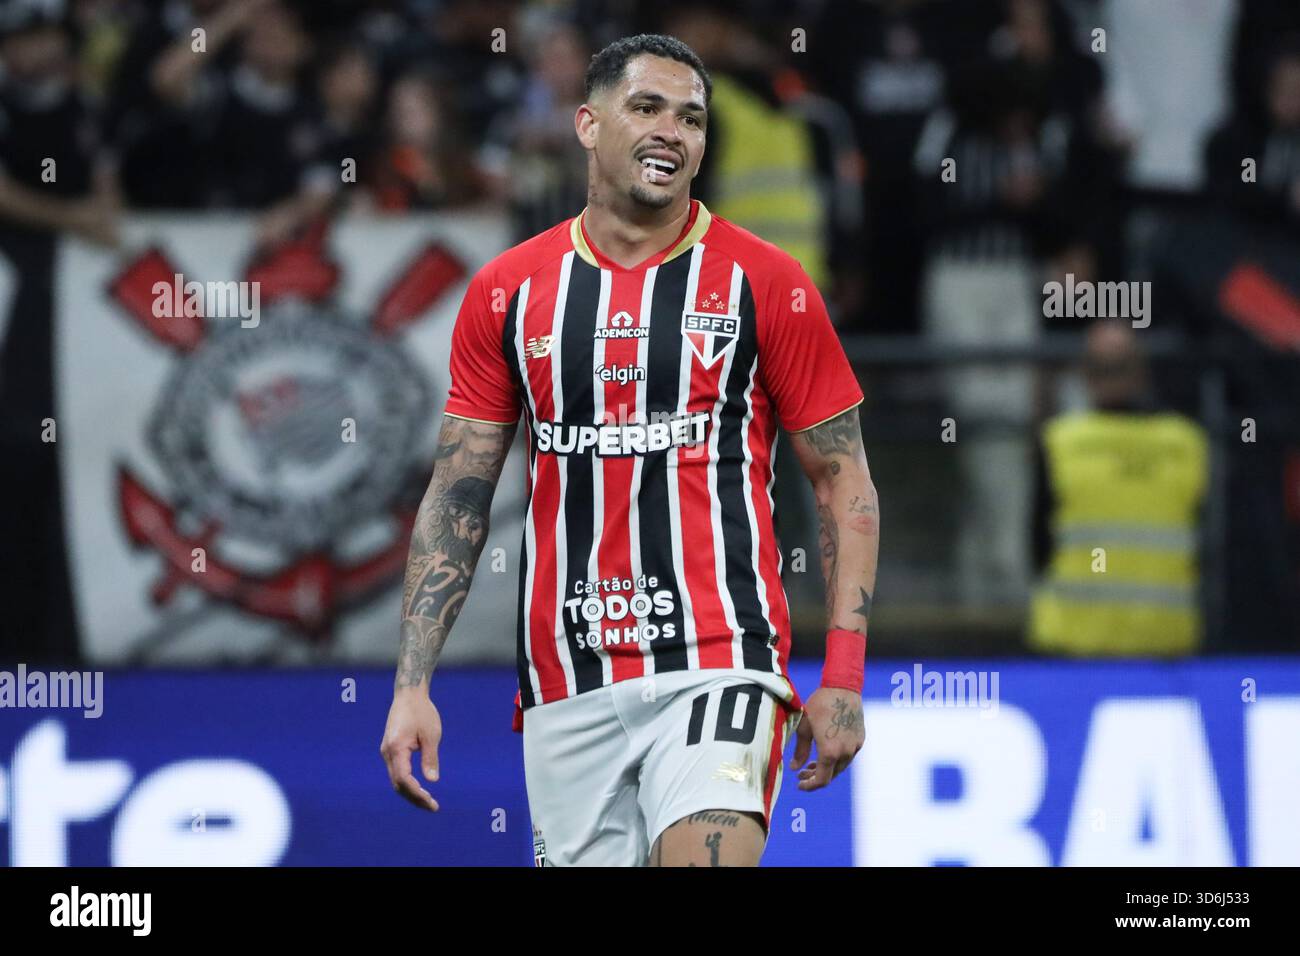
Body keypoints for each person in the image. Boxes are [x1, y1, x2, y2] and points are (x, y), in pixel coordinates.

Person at [379, 34, 880, 867]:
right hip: (565, 683)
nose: (671, 132)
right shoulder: (508, 292)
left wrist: (845, 674)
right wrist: (409, 684)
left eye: (691, 118)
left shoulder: (770, 284)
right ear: (586, 123)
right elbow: (459, 494)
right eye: (646, 108)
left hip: (720, 660)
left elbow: (844, 482)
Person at [1029, 320, 1209, 656]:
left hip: (1075, 641)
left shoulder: (1060, 443)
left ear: (1085, 375)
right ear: (1141, 373)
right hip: (1166, 643)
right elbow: (1211, 540)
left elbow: (1038, 548)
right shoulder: (1186, 443)